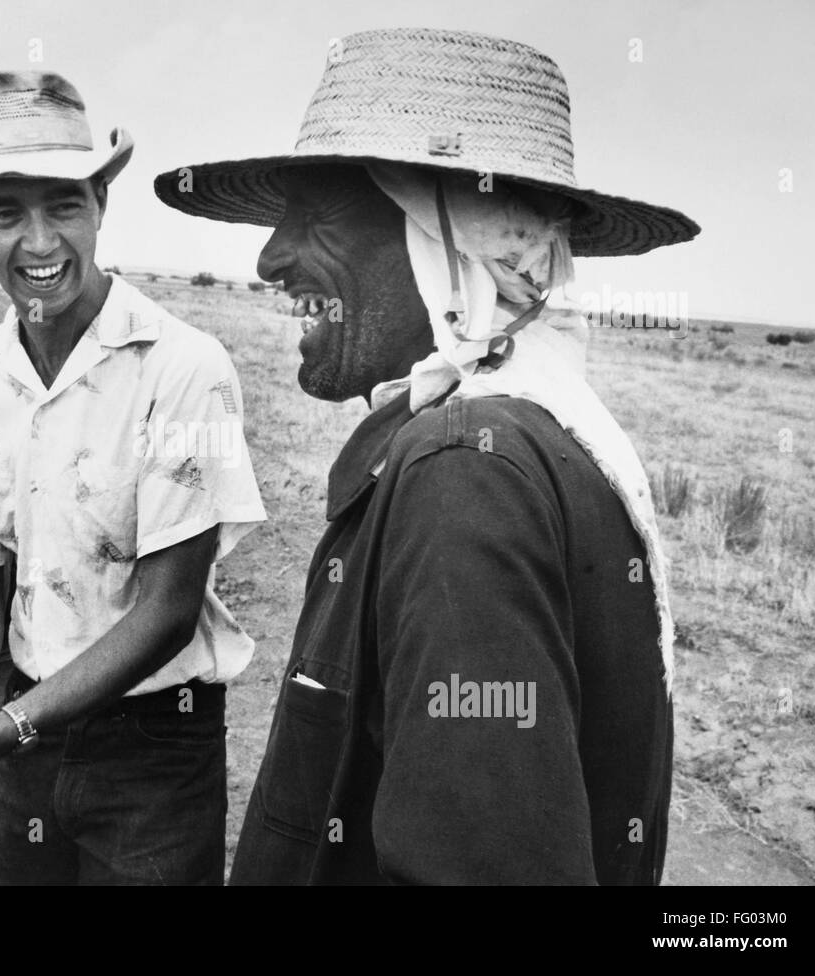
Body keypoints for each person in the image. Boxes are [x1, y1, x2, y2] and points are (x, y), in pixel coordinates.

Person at [154, 27, 700, 884]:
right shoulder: (530, 436)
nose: (269, 257)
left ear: (447, 240)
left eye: (320, 214)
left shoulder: (465, 471)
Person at [0, 70, 267, 884]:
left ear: (101, 205)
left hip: (153, 746)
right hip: (18, 729)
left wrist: (3, 726)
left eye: (65, 205)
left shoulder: (182, 369)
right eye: (5, 211)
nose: (42, 243)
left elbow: (168, 612)